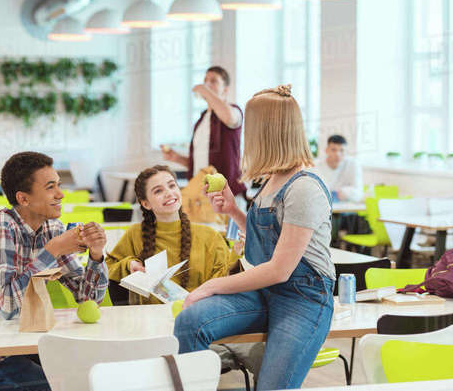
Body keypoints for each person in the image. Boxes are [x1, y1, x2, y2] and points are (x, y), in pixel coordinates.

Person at [173, 85, 335, 391]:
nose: (246, 135)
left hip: (302, 298)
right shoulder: (274, 179)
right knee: (190, 322)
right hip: (264, 291)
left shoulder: (305, 187)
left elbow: (279, 268)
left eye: (252, 126)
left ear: (269, 132)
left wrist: (209, 286)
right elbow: (268, 243)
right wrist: (234, 211)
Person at [0, 152, 108, 391]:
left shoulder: (52, 227)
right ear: (23, 198)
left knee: (88, 378)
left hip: (27, 344)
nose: (61, 194)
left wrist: (96, 255)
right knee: (56, 387)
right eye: (50, 187)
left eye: (59, 185)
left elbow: (88, 300)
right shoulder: (2, 227)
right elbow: (8, 306)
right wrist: (52, 251)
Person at [106, 165, 241, 304]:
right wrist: (129, 264)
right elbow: (107, 268)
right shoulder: (135, 234)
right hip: (149, 319)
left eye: (172, 186)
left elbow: (224, 279)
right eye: (158, 191)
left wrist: (237, 253)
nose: (169, 193)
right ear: (146, 204)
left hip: (199, 314)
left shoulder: (210, 236)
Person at [161, 66, 247, 204]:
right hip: (201, 197)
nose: (207, 84)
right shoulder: (201, 120)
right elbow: (200, 163)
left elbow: (230, 118)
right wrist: (177, 158)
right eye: (205, 80)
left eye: (213, 81)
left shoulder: (234, 111)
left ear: (225, 90)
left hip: (226, 196)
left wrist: (204, 90)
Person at [316, 134, 363, 202]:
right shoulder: (317, 166)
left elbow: (359, 193)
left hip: (346, 208)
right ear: (326, 150)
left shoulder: (353, 164)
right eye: (333, 150)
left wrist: (346, 192)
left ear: (346, 152)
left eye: (342, 150)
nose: (337, 154)